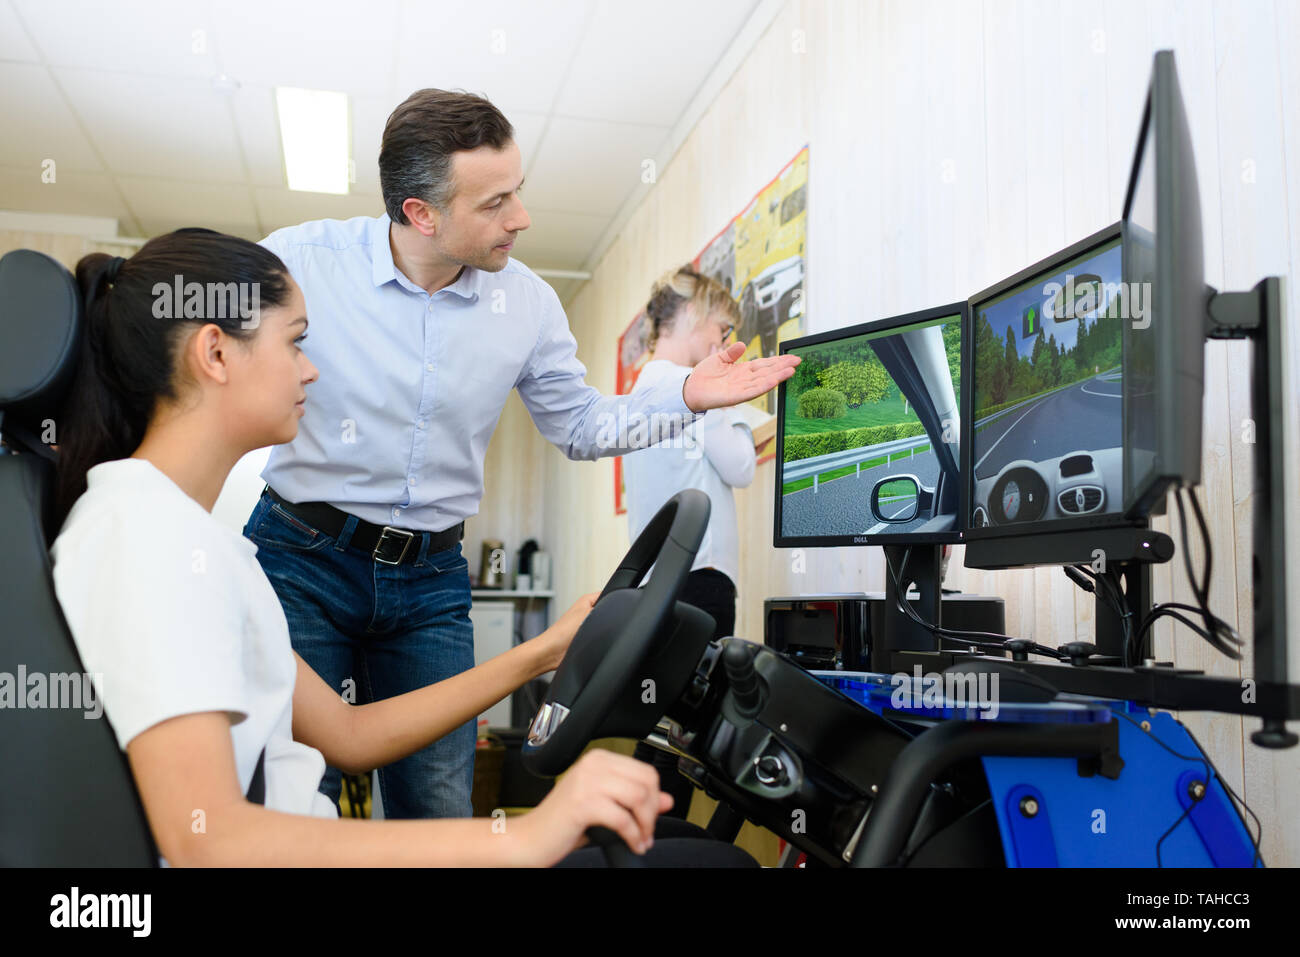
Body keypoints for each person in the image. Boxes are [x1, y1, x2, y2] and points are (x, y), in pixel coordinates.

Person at [250, 88, 798, 819]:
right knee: (288, 802)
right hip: (300, 557)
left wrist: (687, 398)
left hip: (428, 582)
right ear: (421, 213)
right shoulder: (298, 264)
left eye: (520, 191)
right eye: (495, 201)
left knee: (440, 807)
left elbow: (582, 427)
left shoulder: (529, 304)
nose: (522, 217)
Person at [46, 230, 674, 866]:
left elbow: (348, 735)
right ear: (216, 353)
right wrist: (527, 836)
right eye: (294, 341)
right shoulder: (150, 539)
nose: (311, 368)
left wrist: (541, 653)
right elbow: (209, 843)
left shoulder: (201, 544)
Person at [622, 265, 757, 817]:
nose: (725, 345)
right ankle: (656, 845)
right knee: (680, 740)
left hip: (658, 589)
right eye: (722, 331)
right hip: (700, 583)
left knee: (658, 730)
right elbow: (742, 466)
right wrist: (742, 411)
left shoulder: (641, 389)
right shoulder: (691, 388)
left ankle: (636, 842)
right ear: (693, 317)